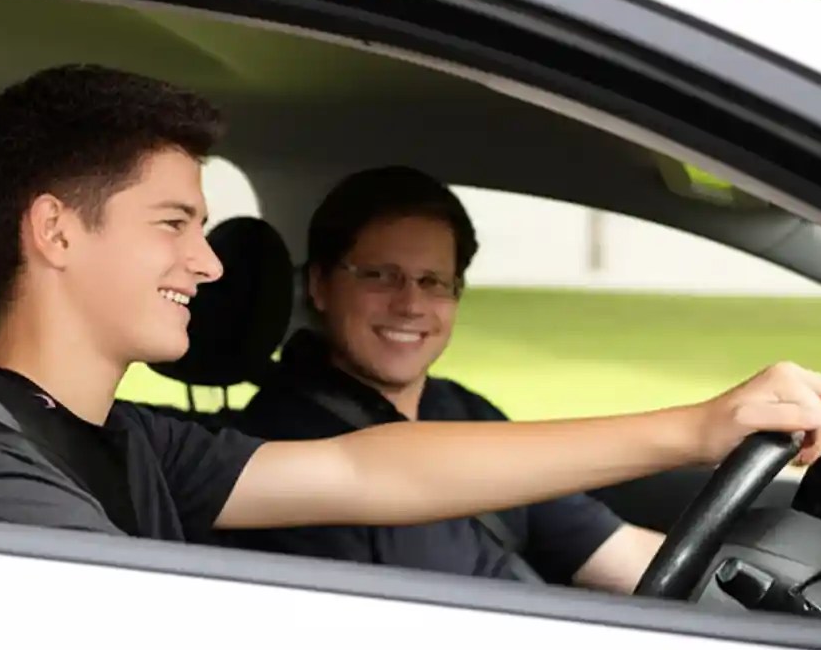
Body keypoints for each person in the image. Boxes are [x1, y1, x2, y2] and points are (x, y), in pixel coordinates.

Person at [0, 63, 821, 554]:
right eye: (174, 223)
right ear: (55, 231)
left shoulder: (133, 438)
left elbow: (367, 467)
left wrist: (699, 428)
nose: (208, 264)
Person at [214, 166, 662, 592]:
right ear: (320, 285)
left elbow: (612, 551)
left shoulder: (464, 410)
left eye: (433, 281)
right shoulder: (279, 454)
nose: (411, 305)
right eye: (381, 276)